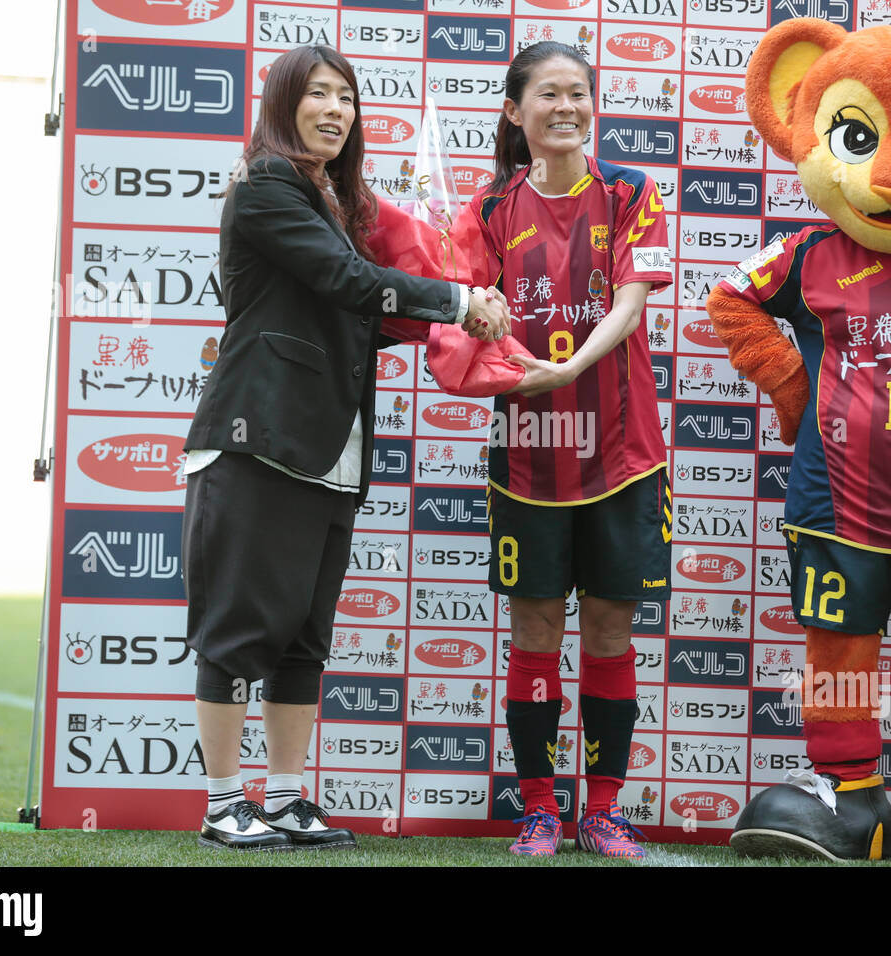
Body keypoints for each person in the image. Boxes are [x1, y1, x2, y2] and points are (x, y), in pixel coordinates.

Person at [181, 44, 509, 851]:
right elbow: (344, 281)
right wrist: (458, 299)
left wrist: (449, 326)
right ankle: (225, 803)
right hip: (258, 439)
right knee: (233, 634)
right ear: (282, 103)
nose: (335, 110)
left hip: (330, 446)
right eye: (318, 95)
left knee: (302, 637)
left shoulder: (335, 202)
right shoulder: (265, 187)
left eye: (347, 98)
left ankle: (287, 800)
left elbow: (359, 311)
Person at [464, 42, 674, 858]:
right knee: (536, 631)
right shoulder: (486, 211)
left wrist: (575, 365)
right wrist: (488, 326)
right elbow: (470, 321)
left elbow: (630, 302)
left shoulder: (629, 192)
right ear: (515, 112)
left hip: (624, 455)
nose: (566, 108)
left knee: (613, 631)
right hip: (527, 457)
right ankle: (542, 810)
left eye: (578, 94)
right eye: (547, 95)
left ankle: (606, 811)